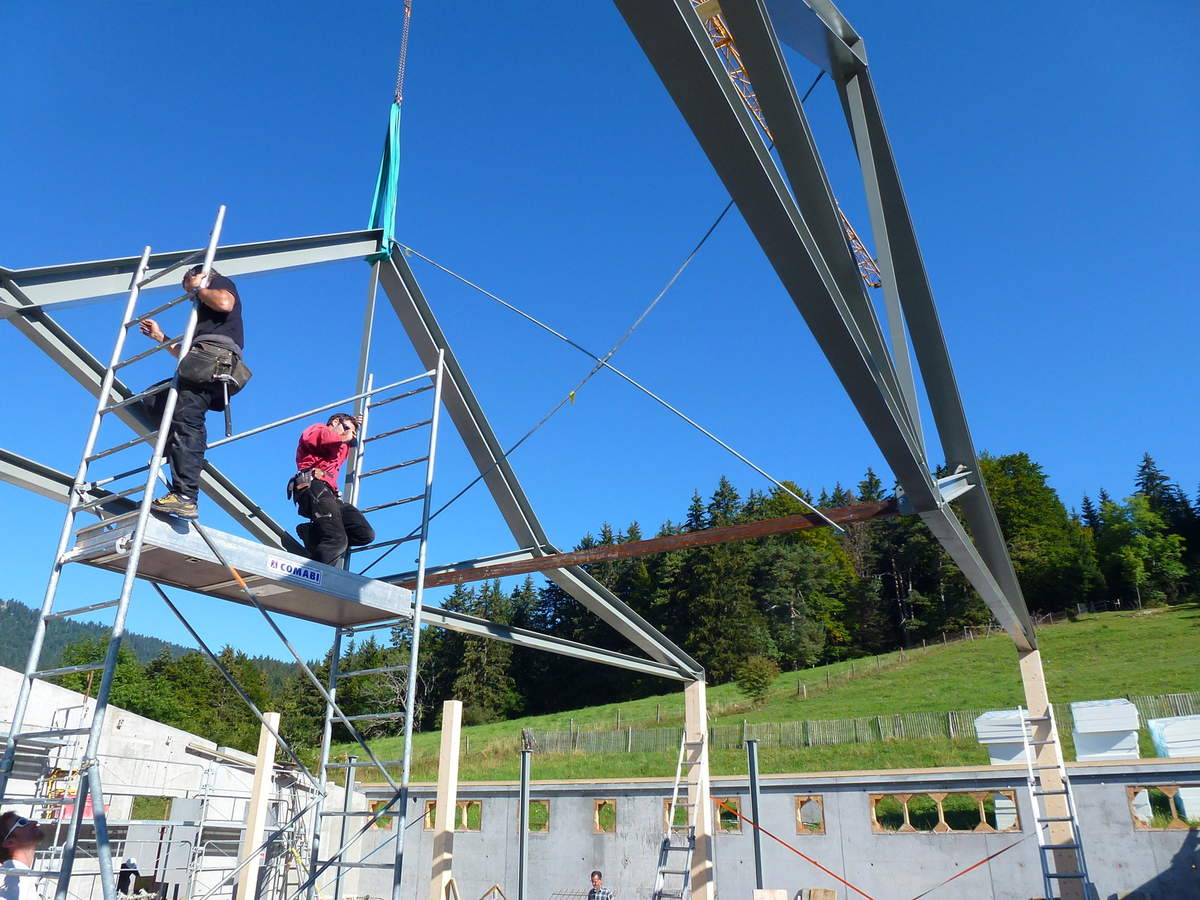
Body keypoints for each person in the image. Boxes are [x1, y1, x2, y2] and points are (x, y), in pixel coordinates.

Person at [138, 264, 244, 520]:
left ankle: (185, 495)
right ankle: (176, 449)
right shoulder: (206, 320)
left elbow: (225, 302)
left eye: (191, 286)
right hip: (203, 360)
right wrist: (160, 337)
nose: (192, 295)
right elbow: (183, 353)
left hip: (213, 361)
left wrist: (199, 288)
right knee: (154, 399)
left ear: (204, 275)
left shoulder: (221, 284)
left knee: (188, 419)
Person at [289, 413, 374, 565]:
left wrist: (352, 424)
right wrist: (343, 434)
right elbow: (315, 438)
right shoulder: (319, 429)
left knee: (364, 534)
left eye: (352, 433)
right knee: (336, 540)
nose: (349, 435)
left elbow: (342, 444)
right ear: (335, 422)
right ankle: (315, 577)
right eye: (346, 429)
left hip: (330, 494)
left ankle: (312, 532)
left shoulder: (340, 446)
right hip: (313, 485)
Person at [0, 812, 45, 900]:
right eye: (22, 822)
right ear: (9, 842)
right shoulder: (15, 879)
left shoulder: (20, 877)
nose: (34, 822)